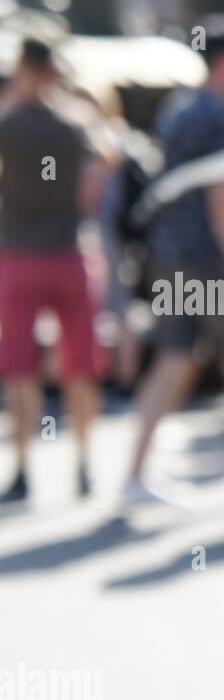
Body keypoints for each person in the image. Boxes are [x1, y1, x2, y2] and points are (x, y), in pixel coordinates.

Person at [123, 29, 224, 505]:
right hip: (207, 260)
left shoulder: (177, 109)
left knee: (175, 358)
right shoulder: (219, 114)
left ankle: (133, 475)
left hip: (168, 254)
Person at [0, 38, 109, 503]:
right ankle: (83, 463)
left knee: (21, 367)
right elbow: (104, 166)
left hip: (19, 256)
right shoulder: (75, 122)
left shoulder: (9, 122)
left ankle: (22, 468)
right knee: (79, 365)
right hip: (69, 253)